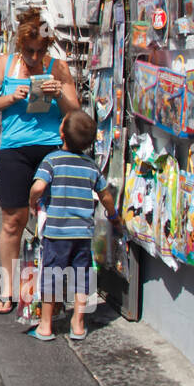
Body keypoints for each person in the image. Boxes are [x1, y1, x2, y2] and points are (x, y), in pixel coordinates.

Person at [0, 7, 80, 314]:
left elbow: (75, 113)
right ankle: (8, 289)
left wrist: (59, 92)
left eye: (40, 51)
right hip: (15, 149)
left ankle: (52, 290)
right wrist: (11, 97)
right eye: (29, 51)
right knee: (14, 220)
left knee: (54, 222)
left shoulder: (58, 67)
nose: (35, 58)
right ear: (18, 45)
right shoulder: (5, 63)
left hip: (52, 150)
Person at [27, 110, 121, 340]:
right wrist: (113, 215)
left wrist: (32, 202)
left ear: (62, 134)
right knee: (82, 276)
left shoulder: (52, 160)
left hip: (57, 232)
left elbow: (38, 187)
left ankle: (46, 325)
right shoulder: (91, 166)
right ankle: (78, 324)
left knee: (52, 275)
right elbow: (105, 195)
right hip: (83, 233)